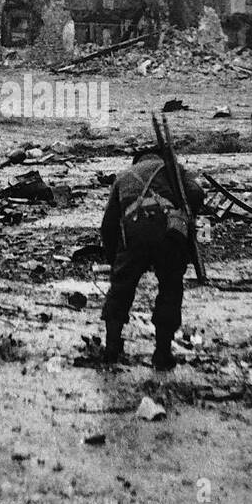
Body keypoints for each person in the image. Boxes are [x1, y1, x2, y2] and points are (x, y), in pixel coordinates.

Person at [99, 142, 204, 370]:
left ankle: (112, 348)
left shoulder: (123, 176)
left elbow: (108, 226)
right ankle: (162, 353)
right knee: (170, 286)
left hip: (134, 230)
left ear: (138, 161)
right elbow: (196, 193)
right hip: (168, 231)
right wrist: (186, 215)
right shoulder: (173, 169)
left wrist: (115, 262)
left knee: (121, 290)